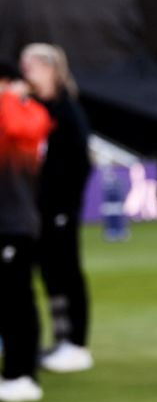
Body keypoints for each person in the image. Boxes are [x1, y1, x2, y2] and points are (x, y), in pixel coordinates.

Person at [20, 43, 94, 373]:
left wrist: (65, 204)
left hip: (60, 207)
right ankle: (62, 340)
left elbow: (80, 163)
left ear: (50, 68)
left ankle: (76, 344)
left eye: (31, 67)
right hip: (37, 208)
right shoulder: (34, 107)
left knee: (67, 272)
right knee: (50, 274)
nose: (26, 74)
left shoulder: (66, 110)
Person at [0, 60, 53, 402]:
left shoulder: (25, 113)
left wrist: (7, 97)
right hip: (14, 220)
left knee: (16, 300)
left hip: (14, 222)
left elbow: (22, 130)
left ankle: (21, 374)